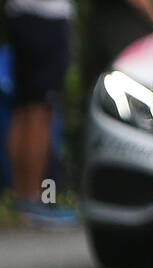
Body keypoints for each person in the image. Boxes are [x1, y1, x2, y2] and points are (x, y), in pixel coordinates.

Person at [4, 0, 76, 226]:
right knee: (40, 111)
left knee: (23, 109)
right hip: (46, 19)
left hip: (20, 17)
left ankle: (21, 198)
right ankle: (34, 199)